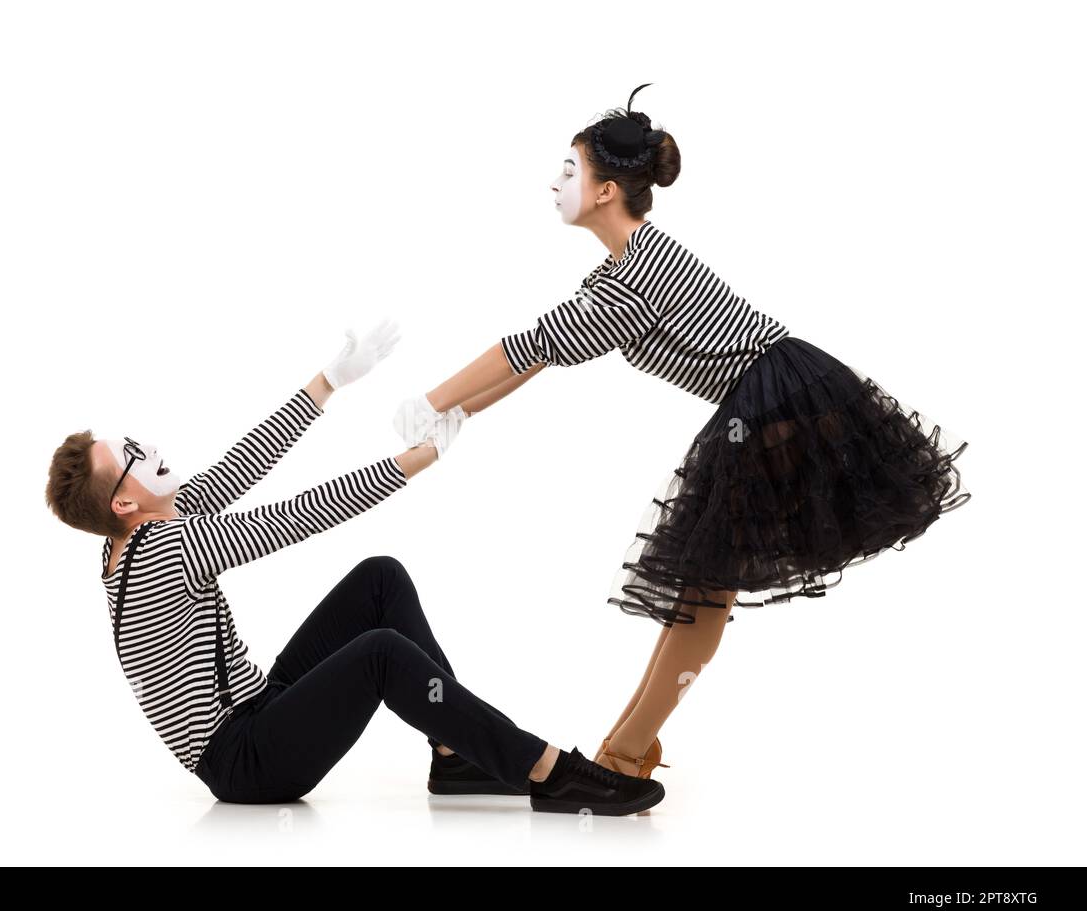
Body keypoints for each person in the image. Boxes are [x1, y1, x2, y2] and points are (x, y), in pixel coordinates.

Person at [394, 83, 972, 780]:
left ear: (607, 192)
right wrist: (460, 413)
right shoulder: (620, 270)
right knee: (703, 587)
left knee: (703, 586)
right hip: (774, 398)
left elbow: (529, 344)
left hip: (777, 409)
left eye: (571, 171)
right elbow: (543, 352)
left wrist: (432, 399)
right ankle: (629, 748)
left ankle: (626, 754)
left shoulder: (635, 275)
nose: (556, 182)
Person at [44, 319, 666, 815]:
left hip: (261, 709)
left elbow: (242, 466)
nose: (147, 448)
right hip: (248, 763)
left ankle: (454, 753)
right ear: (124, 502)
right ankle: (545, 770)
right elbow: (303, 514)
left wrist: (329, 380)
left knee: (379, 580)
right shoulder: (165, 550)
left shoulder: (133, 537)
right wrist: (419, 457)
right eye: (130, 455)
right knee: (380, 653)